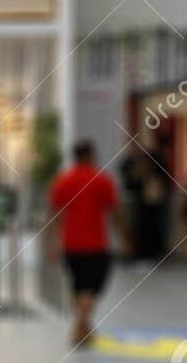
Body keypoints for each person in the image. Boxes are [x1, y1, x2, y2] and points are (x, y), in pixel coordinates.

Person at [49, 140, 128, 347]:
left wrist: (53, 244)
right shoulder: (102, 181)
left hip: (70, 245)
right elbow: (115, 213)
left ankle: (85, 329)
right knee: (92, 288)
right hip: (96, 245)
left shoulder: (62, 181)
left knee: (78, 287)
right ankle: (78, 328)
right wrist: (125, 238)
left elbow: (54, 215)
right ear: (91, 156)